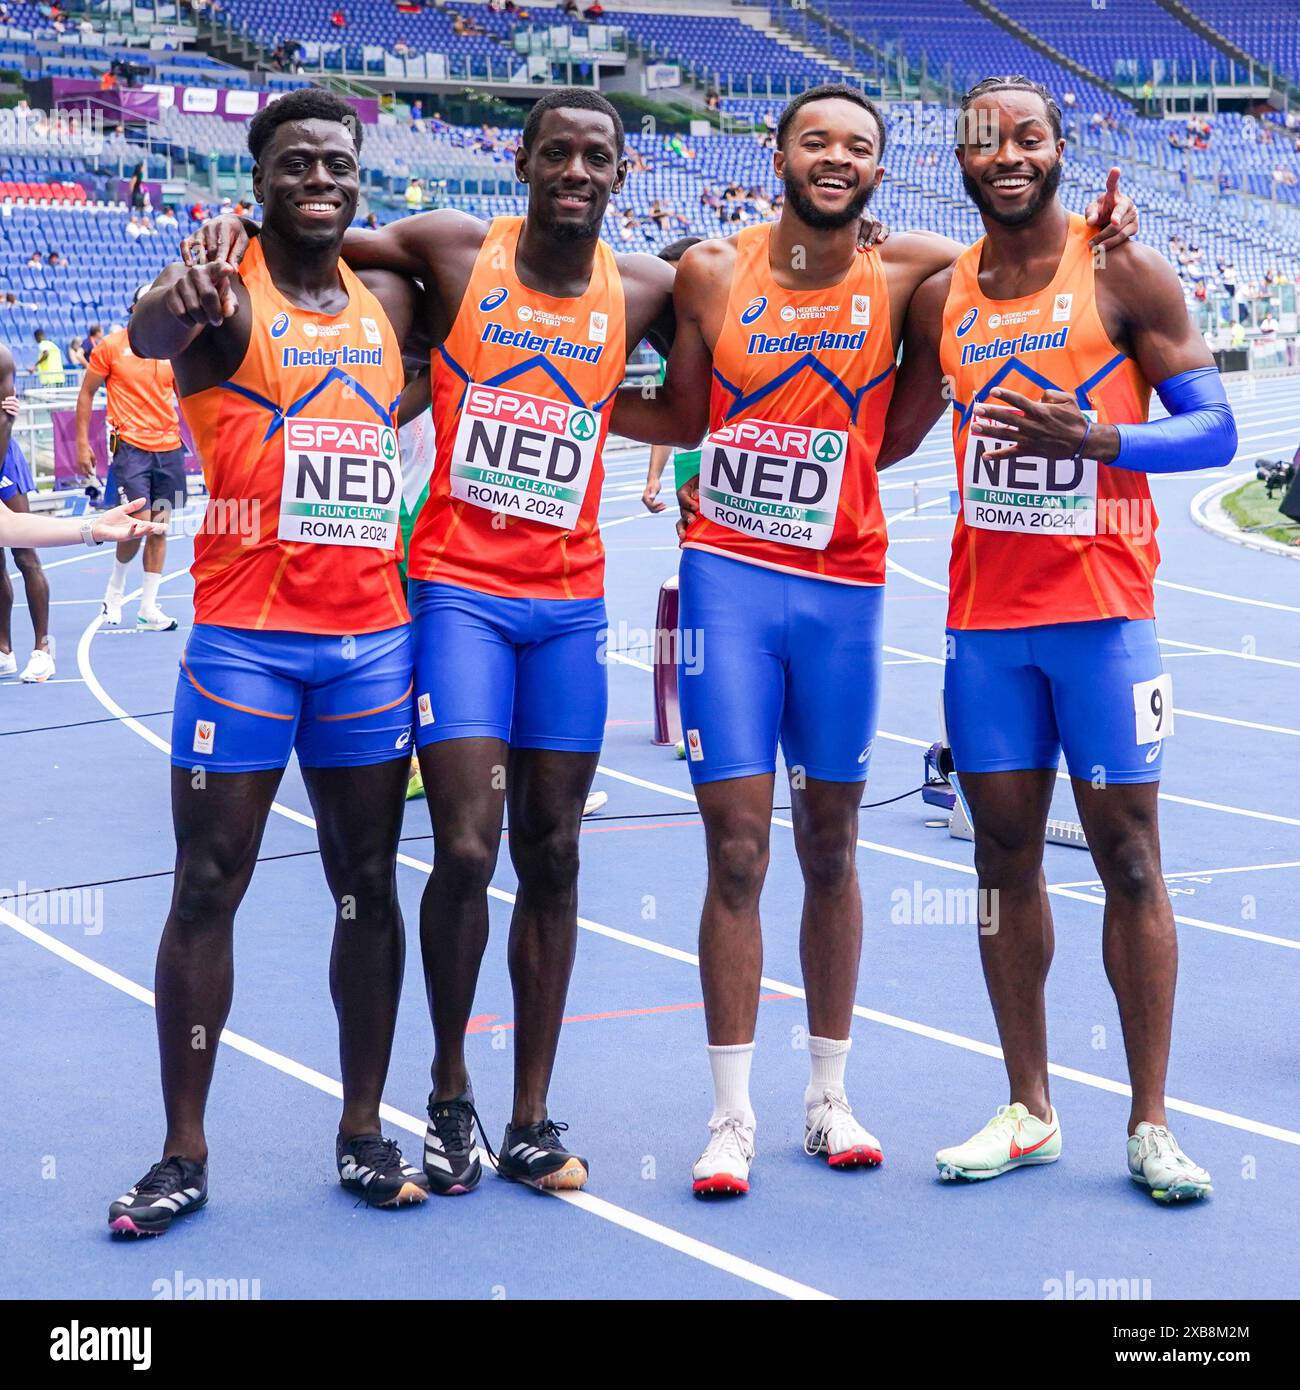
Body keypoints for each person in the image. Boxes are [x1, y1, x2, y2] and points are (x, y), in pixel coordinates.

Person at [612, 82, 1136, 1199]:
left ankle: (828, 1095)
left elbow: (1014, 253)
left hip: (845, 588)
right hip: (729, 585)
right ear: (779, 152)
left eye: (857, 146)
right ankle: (730, 1113)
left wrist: (1095, 232)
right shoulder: (713, 270)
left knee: (834, 847)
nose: (835, 158)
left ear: (881, 170)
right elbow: (685, 407)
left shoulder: (910, 276)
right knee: (739, 850)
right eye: (816, 141)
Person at [184, 87, 681, 1197]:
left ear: (618, 173)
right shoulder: (452, 252)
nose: (574, 171)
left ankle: (531, 1115)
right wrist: (221, 228)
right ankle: (448, 1089)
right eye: (555, 151)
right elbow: (311, 226)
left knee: (553, 852)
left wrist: (608, 417)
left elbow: (700, 395)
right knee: (463, 845)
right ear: (519, 161)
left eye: (595, 156)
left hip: (570, 605)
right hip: (456, 594)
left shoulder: (644, 289)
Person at [879, 75, 1234, 1202]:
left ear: (1058, 148)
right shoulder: (943, 296)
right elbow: (886, 428)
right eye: (986, 142)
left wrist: (1102, 438)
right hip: (985, 628)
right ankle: (1029, 1105)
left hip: (1104, 621)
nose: (1008, 155)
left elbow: (1216, 431)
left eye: (1028, 136)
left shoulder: (1122, 267)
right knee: (999, 860)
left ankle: (1149, 1122)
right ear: (963, 161)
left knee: (1130, 859)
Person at [107, 88, 429, 1236]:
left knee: (368, 889)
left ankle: (363, 1125)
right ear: (257, 180)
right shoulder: (217, 299)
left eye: (337, 165)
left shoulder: (390, 298)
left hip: (371, 652)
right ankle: (182, 1151)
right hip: (245, 646)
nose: (319, 181)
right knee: (206, 887)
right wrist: (185, 274)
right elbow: (150, 334)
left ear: (358, 177)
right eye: (294, 165)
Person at [76, 286, 187, 632]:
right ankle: (115, 589)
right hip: (131, 448)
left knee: (159, 528)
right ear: (137, 308)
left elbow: (184, 399)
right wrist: (82, 442)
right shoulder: (111, 346)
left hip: (169, 448)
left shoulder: (174, 349)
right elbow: (86, 393)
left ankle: (148, 608)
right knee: (135, 525)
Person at [0, 352, 54, 682]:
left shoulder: (1, 357)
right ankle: (3, 650)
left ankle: (42, 650)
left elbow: (6, 418)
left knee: (25, 554)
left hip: (2, 457)